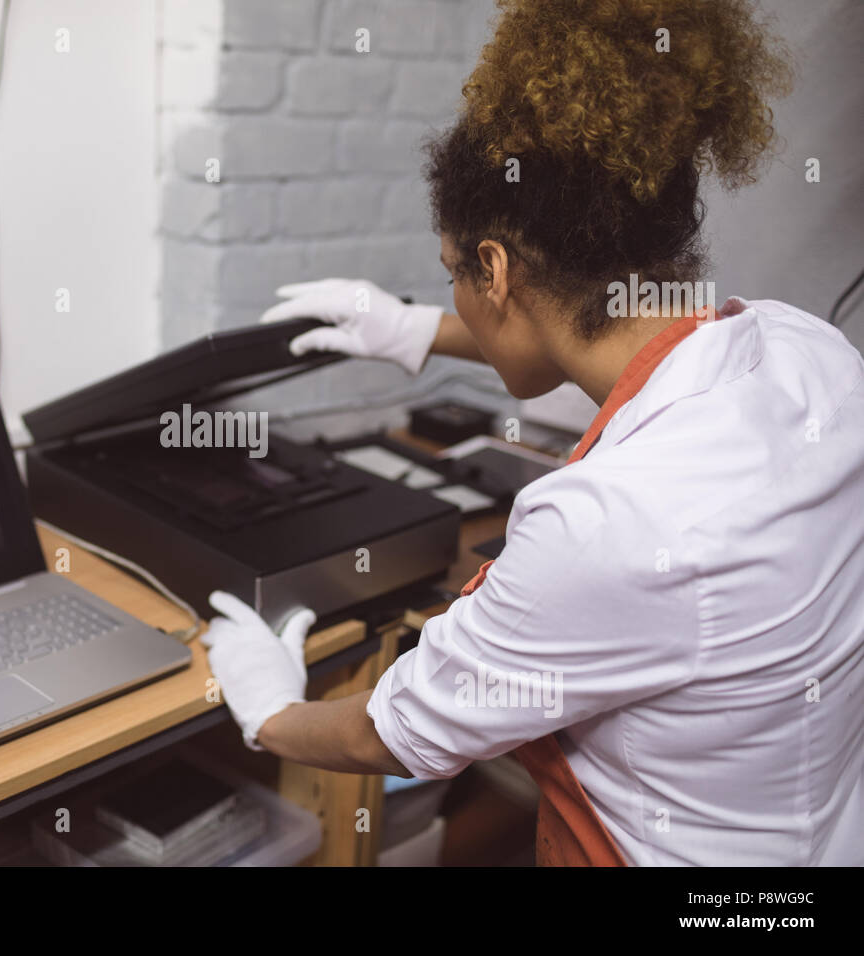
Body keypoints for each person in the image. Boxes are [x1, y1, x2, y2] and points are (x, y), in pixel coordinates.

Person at [201, 0, 864, 865]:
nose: (454, 302)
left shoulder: (602, 528)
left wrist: (268, 712)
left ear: (497, 268)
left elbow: (390, 734)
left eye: (453, 278)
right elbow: (611, 346)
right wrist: (415, 331)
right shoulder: (808, 351)